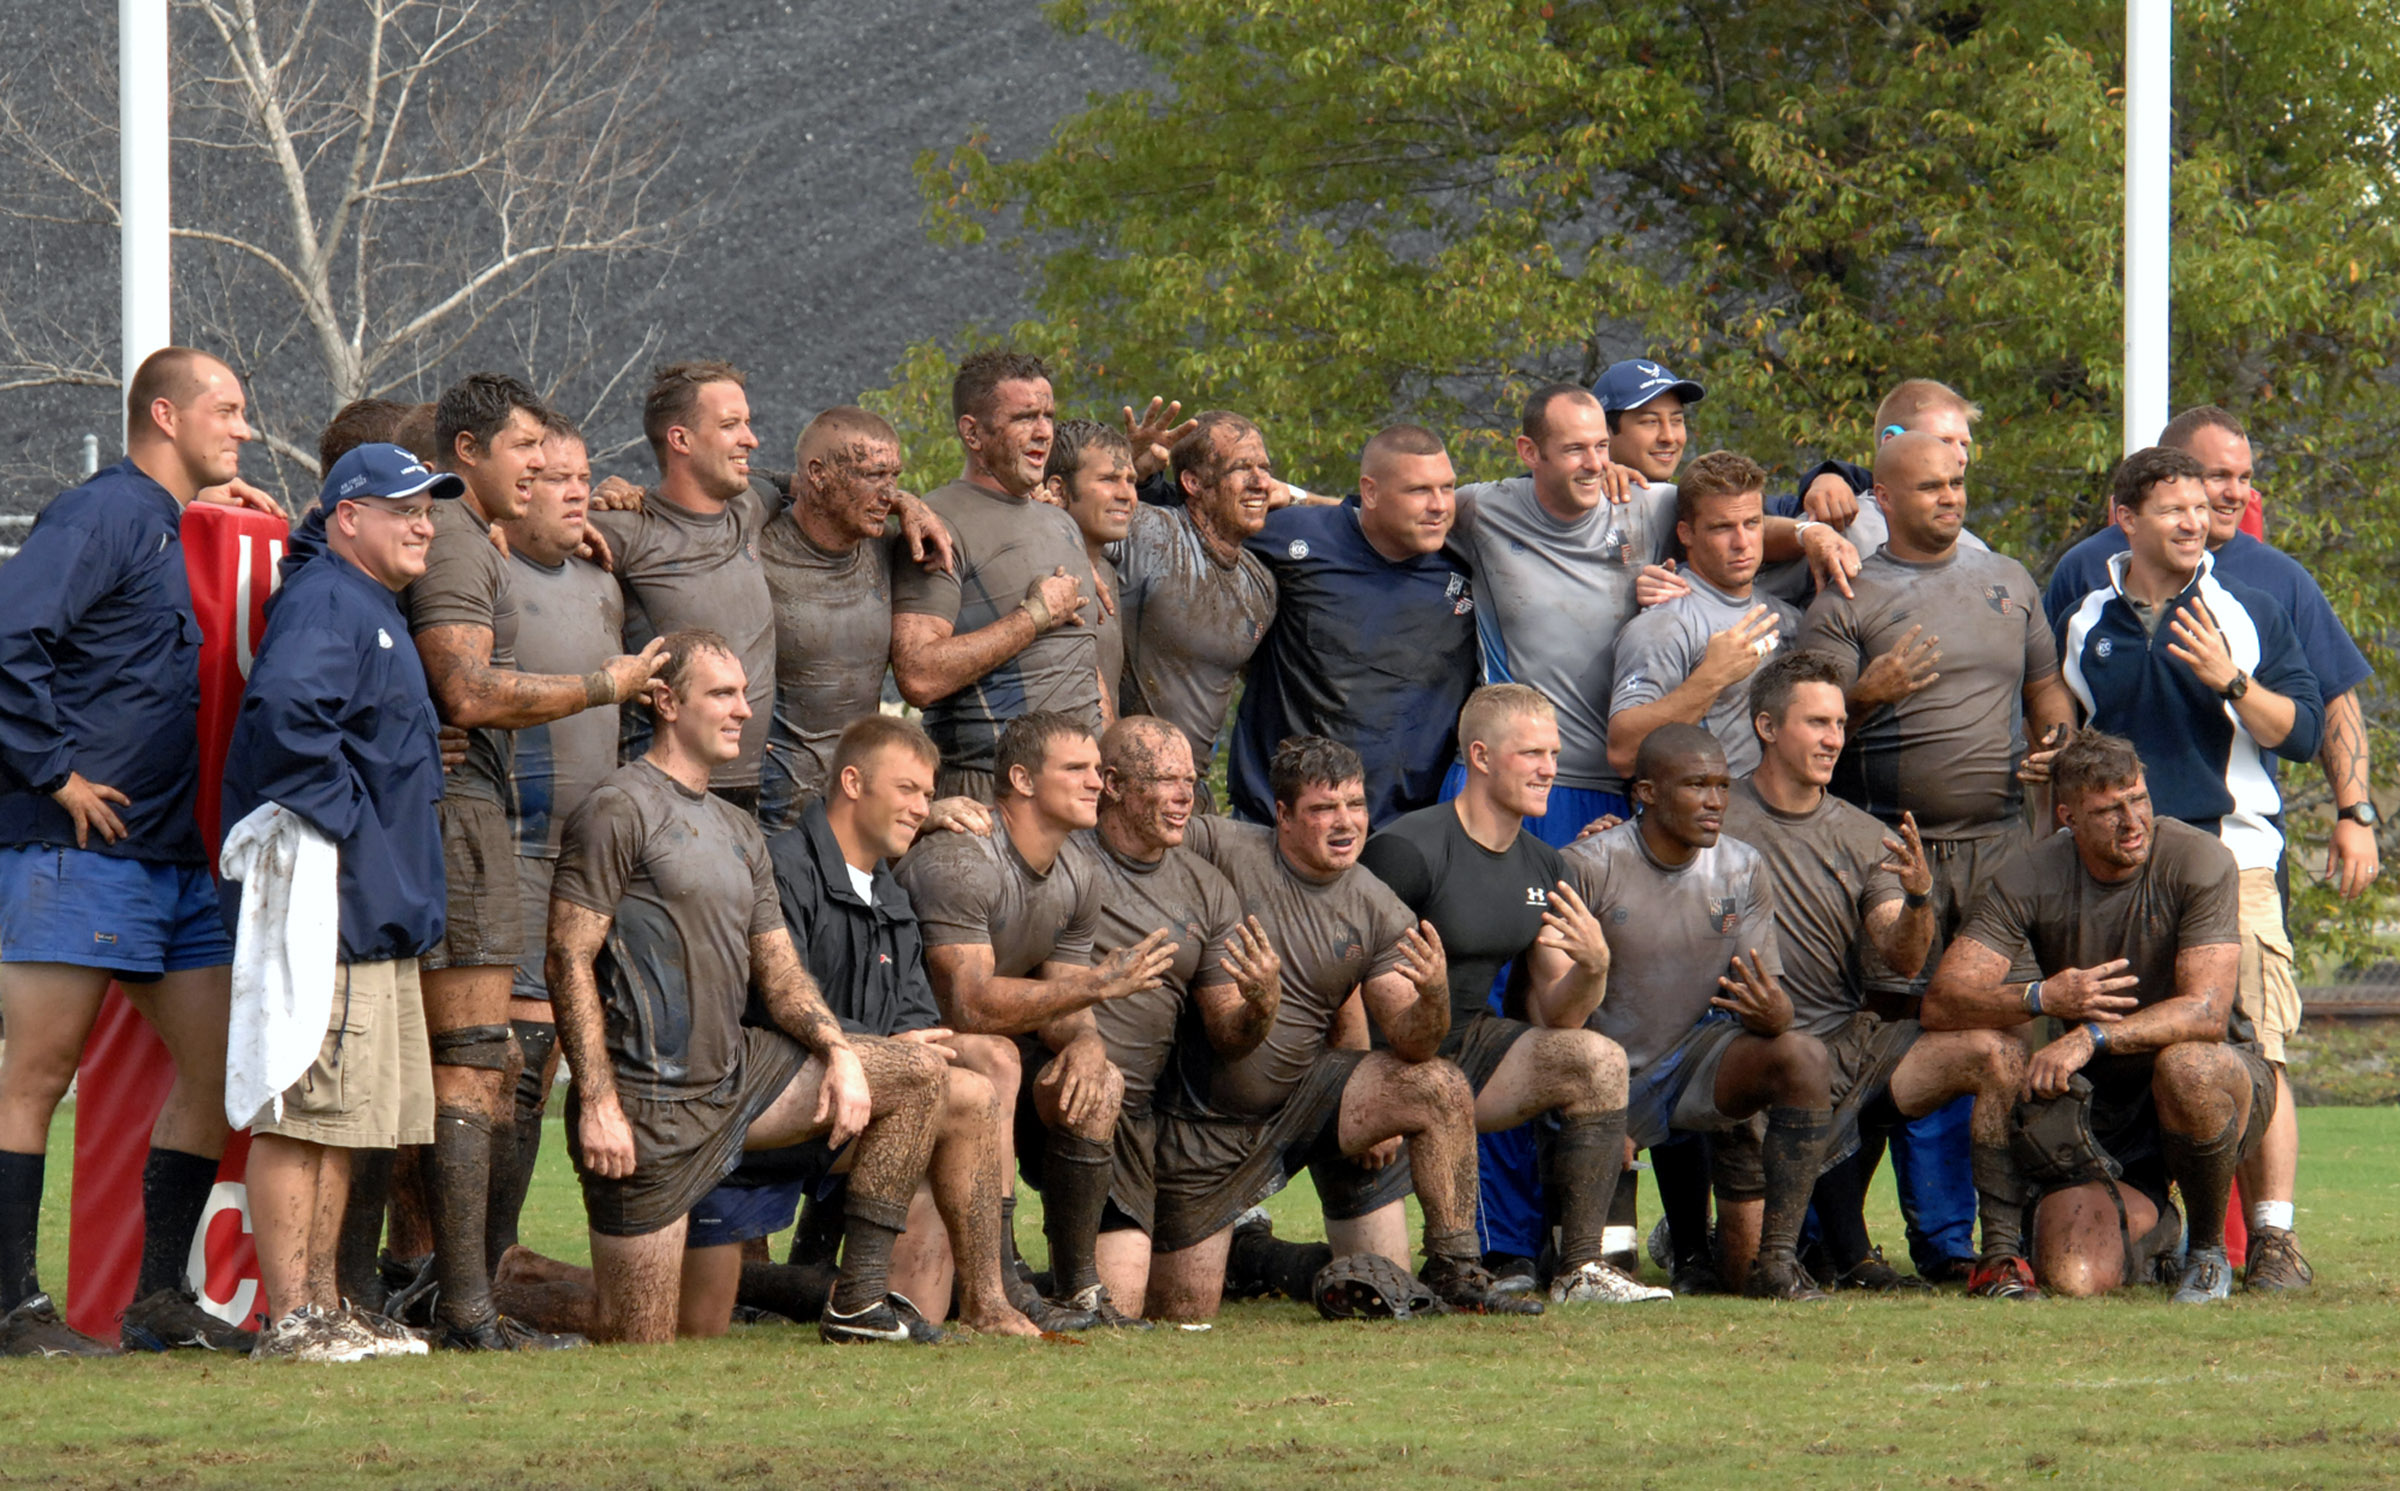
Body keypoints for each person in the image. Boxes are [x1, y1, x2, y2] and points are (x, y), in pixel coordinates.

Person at [2046, 407, 2377, 1294]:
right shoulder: (2082, 606)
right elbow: (2063, 722)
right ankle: (2151, 1227)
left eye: (2208, 505)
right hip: (2115, 866)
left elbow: (2305, 728)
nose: (2199, 520)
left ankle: (2271, 1239)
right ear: (2128, 515)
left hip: (2233, 859)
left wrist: (2230, 680)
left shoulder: (2252, 603)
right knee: (2130, 1041)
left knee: (2255, 1048)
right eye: (2179, 505)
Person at [545, 631, 947, 1344]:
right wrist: (600, 1102)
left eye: (744, 693)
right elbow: (569, 956)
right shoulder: (619, 805)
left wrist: (841, 1050)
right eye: (722, 694)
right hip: (648, 1107)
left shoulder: (739, 828)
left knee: (915, 1075)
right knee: (642, 1337)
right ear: (667, 702)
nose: (742, 709)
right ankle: (513, 1285)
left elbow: (782, 971)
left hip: (740, 1076)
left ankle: (857, 1304)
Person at [0, 347, 260, 1357]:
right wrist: (52, 771)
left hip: (169, 858)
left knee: (219, 1059)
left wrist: (224, 509)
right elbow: (10, 639)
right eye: (227, 411)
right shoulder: (102, 511)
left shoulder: (159, 520)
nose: (243, 426)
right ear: (165, 413)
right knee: (39, 1072)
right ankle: (13, 1311)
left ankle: (156, 1302)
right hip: (74, 845)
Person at [399, 371, 664, 1350]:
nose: (547, 469)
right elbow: (465, 689)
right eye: (527, 452)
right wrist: (606, 683)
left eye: (558, 460)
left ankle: (461, 1287)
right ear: (467, 451)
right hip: (471, 827)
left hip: (502, 824)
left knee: (497, 1058)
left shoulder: (486, 536)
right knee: (478, 1064)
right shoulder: (453, 532)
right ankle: (456, 1299)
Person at [1795, 429, 2076, 1283]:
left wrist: (2055, 739)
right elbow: (1803, 713)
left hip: (1999, 846)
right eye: (1928, 487)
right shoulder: (1849, 591)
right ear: (1882, 494)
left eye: (1957, 483)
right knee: (1878, 1042)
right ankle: (1837, 1243)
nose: (1950, 498)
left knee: (1997, 1034)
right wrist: (1865, 692)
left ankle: (1973, 1244)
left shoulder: (2008, 580)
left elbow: (2046, 691)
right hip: (1886, 845)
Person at [1161, 736, 1541, 1318]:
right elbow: (1125, 833)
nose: (1345, 823)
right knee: (1178, 1308)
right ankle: (1262, 1259)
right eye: (1322, 809)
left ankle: (1458, 1271)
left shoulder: (1379, 905)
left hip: (1310, 1096)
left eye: (1356, 805)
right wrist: (978, 817)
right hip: (1206, 1118)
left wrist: (1434, 993)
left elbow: (1414, 1042)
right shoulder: (1223, 845)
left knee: (1437, 1086)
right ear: (1282, 816)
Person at [218, 443, 456, 1361]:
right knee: (305, 1112)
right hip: (336, 903)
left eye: (429, 508)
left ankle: (326, 1303)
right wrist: (351, 826)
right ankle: (295, 1317)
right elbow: (285, 719)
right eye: (404, 508)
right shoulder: (328, 596)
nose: (424, 522)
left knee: (347, 1123)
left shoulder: (366, 602)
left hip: (374, 907)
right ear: (348, 516)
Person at [1722, 653, 2039, 1297]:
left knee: (1994, 1052)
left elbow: (1901, 954)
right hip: (1747, 1051)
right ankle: (1715, 1238)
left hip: (1850, 1045)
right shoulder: (1716, 817)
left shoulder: (1866, 835)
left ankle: (1999, 1256)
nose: (1834, 738)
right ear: (1766, 726)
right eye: (1816, 723)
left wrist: (1920, 899)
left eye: (1840, 723)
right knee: (1739, 1268)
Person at [1922, 733, 2273, 1302]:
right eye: (2109, 809)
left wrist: (2092, 1035)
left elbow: (2206, 1013)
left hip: (2217, 1079)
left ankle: (2208, 1253)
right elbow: (1944, 1000)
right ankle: (2157, 1235)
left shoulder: (2200, 859)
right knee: (2073, 1279)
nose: (2132, 820)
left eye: (2138, 798)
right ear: (2068, 816)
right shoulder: (2028, 876)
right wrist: (2041, 998)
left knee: (2187, 1067)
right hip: (2100, 1109)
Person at [1357, 685, 1664, 1303]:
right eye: (1531, 753)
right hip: (1386, 1058)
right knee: (1379, 1269)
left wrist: (1594, 967)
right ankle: (1454, 1265)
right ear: (1481, 756)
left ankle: (1581, 1269)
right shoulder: (1407, 849)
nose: (1549, 768)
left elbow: (1557, 1013)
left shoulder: (1546, 865)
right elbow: (1346, 978)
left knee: (1597, 1060)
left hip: (1469, 1047)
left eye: (1553, 752)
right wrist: (1369, 1096)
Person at [737, 715, 1038, 1336]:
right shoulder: (782, 869)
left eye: (928, 793)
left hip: (864, 1097)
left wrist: (900, 1047)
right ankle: (848, 1295)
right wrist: (884, 1047)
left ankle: (986, 1300)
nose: (922, 808)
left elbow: (917, 1021)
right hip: (769, 1096)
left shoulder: (889, 891)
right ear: (852, 782)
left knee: (968, 1094)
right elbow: (770, 1004)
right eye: (908, 790)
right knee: (694, 1312)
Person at [893, 711, 1177, 1328]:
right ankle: (1000, 1280)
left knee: (1100, 1081)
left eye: (1098, 771)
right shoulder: (962, 858)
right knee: (998, 1056)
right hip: (911, 1041)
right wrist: (1100, 988)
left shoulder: (1078, 868)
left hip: (996, 1047)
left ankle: (1079, 1292)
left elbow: (1064, 993)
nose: (1096, 783)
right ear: (1021, 779)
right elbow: (966, 1005)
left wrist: (1087, 1045)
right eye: (1075, 769)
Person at [1560, 725, 1835, 1301]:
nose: (1714, 802)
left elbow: (1771, 1000)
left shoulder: (1743, 867)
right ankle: (1630, 1239)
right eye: (1695, 786)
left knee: (1805, 1057)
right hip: (1603, 1079)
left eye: (1721, 786)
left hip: (1695, 1065)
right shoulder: (1588, 864)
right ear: (1646, 793)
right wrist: (1599, 1107)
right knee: (1611, 1273)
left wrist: (1774, 1012)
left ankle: (1778, 1263)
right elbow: (1549, 1012)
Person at [1071, 716, 1275, 1315]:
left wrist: (1262, 1006)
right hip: (1049, 1073)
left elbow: (1228, 1036)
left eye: (1191, 779)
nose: (1187, 795)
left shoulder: (1207, 888)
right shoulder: (1064, 854)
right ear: (1112, 783)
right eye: (1167, 780)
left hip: (1134, 1112)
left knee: (1125, 1306)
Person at [483, 415, 621, 1299]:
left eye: (586, 478)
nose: (577, 490)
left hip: (595, 858)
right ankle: (480, 1261)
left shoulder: (604, 579)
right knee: (514, 1064)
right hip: (513, 849)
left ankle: (585, 1256)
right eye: (556, 477)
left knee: (587, 1061)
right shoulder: (485, 567)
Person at [1227, 425, 1478, 827]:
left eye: (1448, 488)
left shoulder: (1471, 557)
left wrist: (1614, 473)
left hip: (1402, 831)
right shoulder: (1295, 536)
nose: (1439, 506)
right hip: (1275, 822)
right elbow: (1192, 533)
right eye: (1419, 491)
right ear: (1371, 492)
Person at [891, 351, 1104, 801]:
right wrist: (1034, 616)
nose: (1044, 431)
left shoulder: (1060, 521)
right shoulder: (939, 522)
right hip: (992, 790)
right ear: (972, 432)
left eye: (1048, 415)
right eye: (1024, 417)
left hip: (1079, 790)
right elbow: (918, 675)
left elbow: (1082, 661)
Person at [585, 361, 778, 813]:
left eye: (747, 423)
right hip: (662, 793)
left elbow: (810, 486)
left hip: (754, 789)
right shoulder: (627, 528)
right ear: (680, 440)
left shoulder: (751, 504)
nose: (751, 439)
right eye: (731, 425)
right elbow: (525, 537)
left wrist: (907, 505)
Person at [1114, 411, 1279, 812]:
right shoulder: (1150, 533)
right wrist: (1125, 467)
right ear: (1193, 483)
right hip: (1118, 786)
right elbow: (1063, 512)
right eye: (1242, 468)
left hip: (1192, 795)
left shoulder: (1261, 586)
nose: (1261, 481)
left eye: (1265, 468)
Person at [756, 406, 911, 833]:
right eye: (873, 476)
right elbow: (707, 489)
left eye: (894, 477)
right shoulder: (755, 548)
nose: (890, 494)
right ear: (818, 475)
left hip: (855, 817)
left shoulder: (889, 549)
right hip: (770, 822)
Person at [1606, 450, 1800, 779]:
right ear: (1686, 534)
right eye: (1722, 527)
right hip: (1703, 822)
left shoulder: (1790, 617)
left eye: (1752, 523)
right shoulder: (1665, 622)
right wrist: (1713, 677)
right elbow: (1622, 753)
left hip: (1777, 822)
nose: (1742, 542)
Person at [1757, 377, 1991, 605]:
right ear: (1891, 442)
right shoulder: (1838, 528)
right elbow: (1751, 602)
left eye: (1964, 444)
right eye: (1943, 441)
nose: (1960, 457)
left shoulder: (1980, 554)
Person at [1041, 418, 1137, 719]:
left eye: (1131, 481)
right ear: (1058, 490)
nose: (1126, 494)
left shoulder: (1109, 571)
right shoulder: (1041, 569)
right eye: (1108, 479)